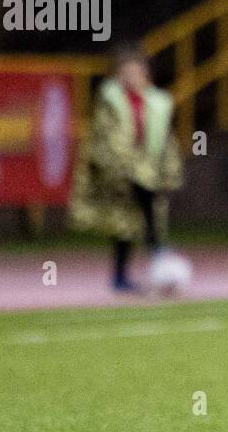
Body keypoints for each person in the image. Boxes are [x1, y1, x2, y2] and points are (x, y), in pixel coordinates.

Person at [70, 43, 183, 292]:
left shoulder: (158, 102)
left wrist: (169, 170)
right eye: (127, 71)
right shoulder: (110, 101)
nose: (132, 76)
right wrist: (124, 166)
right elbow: (105, 138)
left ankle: (158, 262)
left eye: (137, 71)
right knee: (125, 224)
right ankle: (127, 274)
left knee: (147, 215)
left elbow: (165, 139)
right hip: (120, 171)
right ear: (120, 74)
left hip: (149, 169)